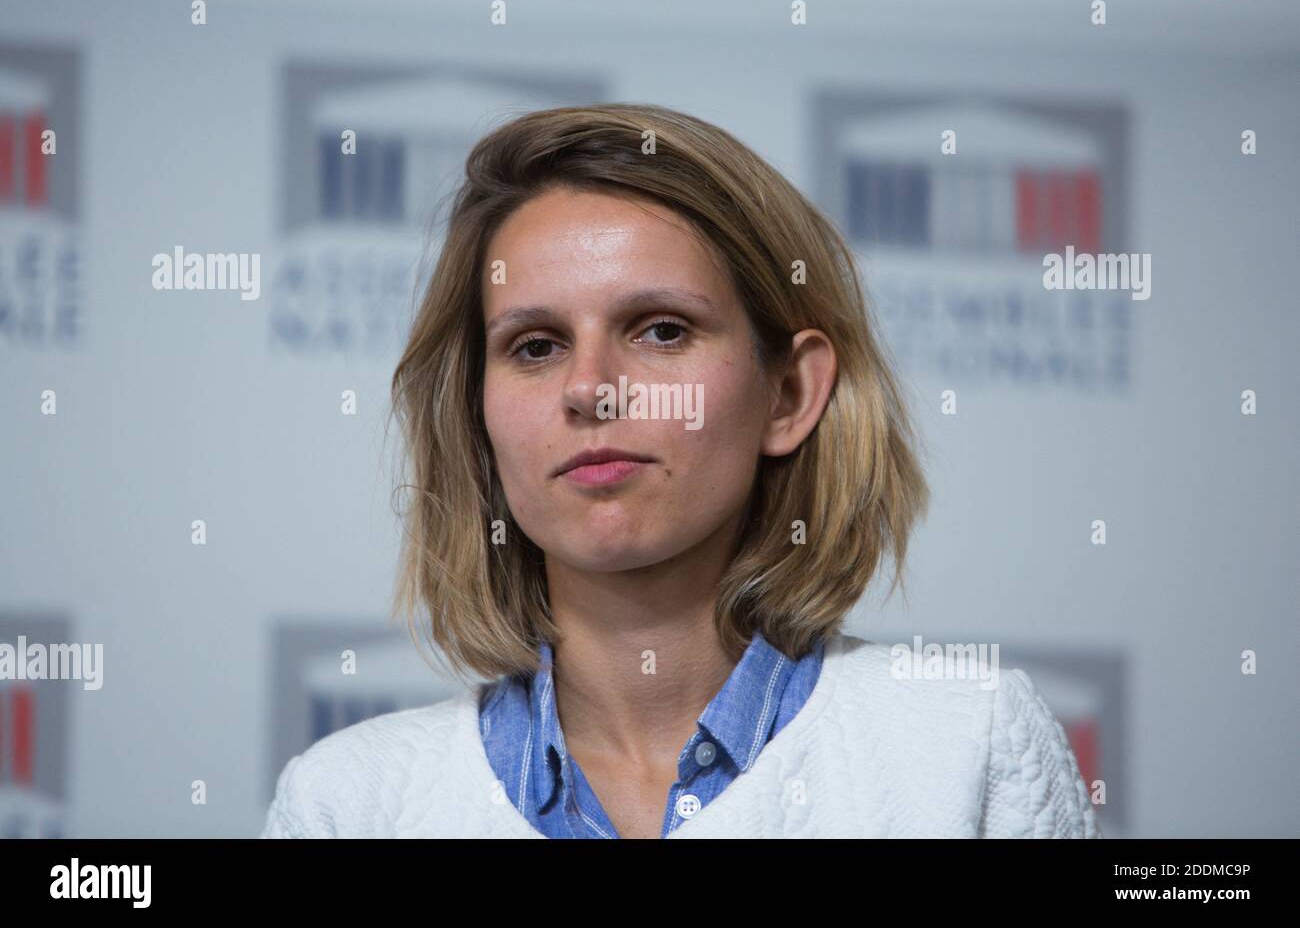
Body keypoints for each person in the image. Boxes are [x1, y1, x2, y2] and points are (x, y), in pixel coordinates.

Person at [261, 102, 1101, 838]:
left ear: (788, 392)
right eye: (536, 346)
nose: (588, 389)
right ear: (478, 414)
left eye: (660, 330)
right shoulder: (348, 805)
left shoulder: (966, 749)